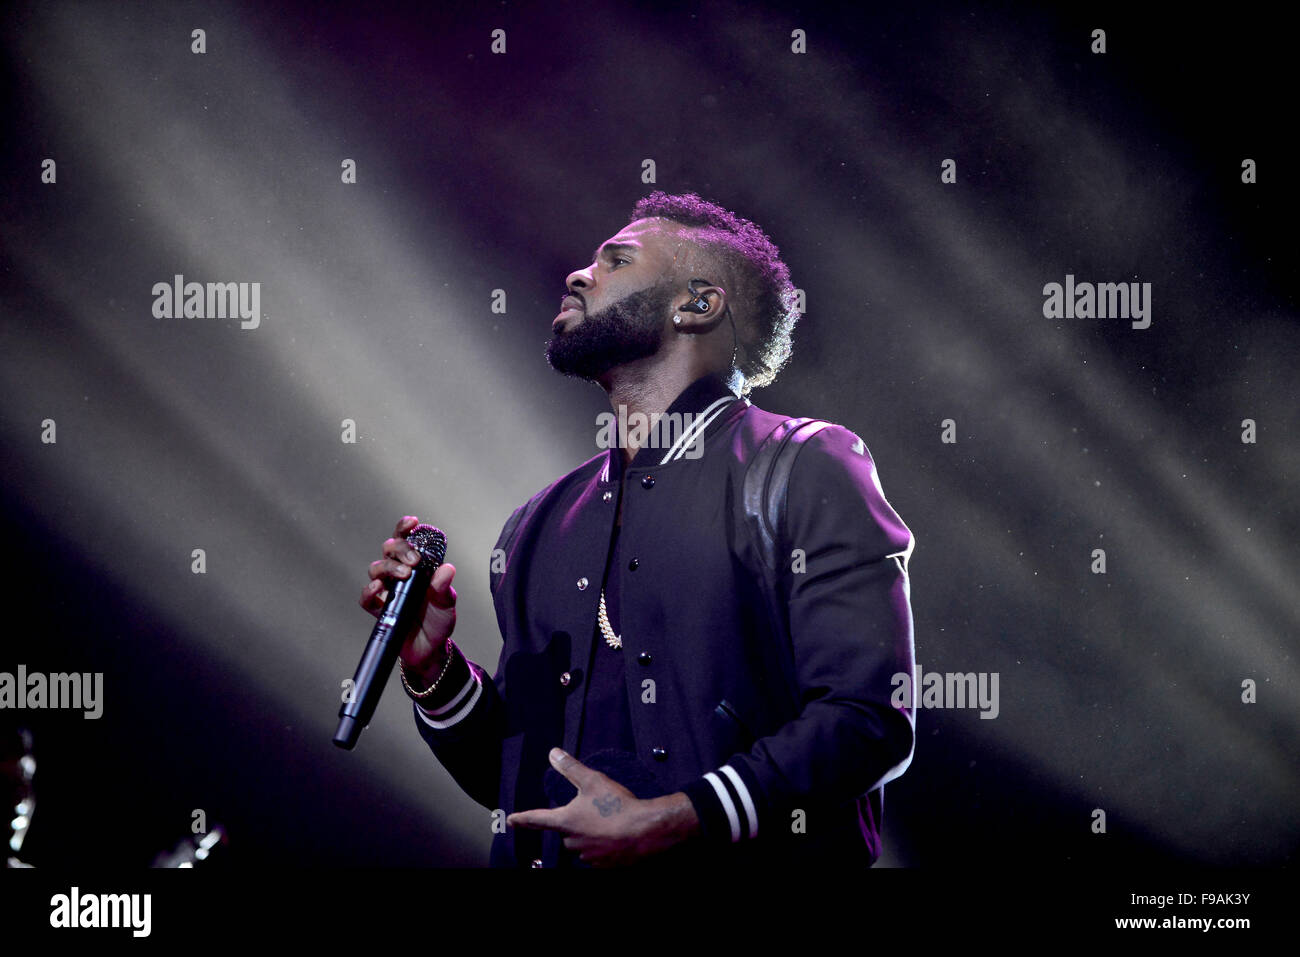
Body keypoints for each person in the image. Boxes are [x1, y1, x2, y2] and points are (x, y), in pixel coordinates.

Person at [359, 191, 916, 868]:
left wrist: (682, 818)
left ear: (698, 304)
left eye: (616, 261)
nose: (577, 274)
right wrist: (434, 671)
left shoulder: (805, 466)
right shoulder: (535, 525)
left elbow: (869, 717)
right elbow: (520, 779)